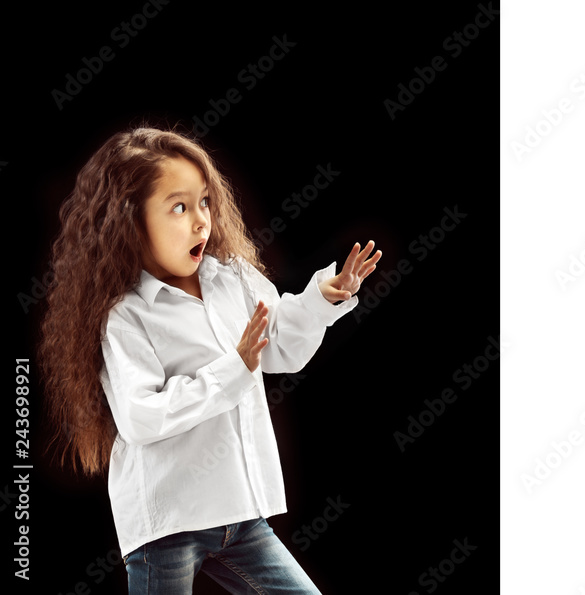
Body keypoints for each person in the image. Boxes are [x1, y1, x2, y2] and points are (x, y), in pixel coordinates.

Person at [39, 126, 380, 593]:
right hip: (169, 524)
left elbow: (279, 347)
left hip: (240, 515)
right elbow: (141, 416)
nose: (202, 221)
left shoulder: (232, 278)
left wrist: (322, 298)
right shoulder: (126, 316)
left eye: (204, 201)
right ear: (130, 221)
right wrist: (234, 368)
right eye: (179, 207)